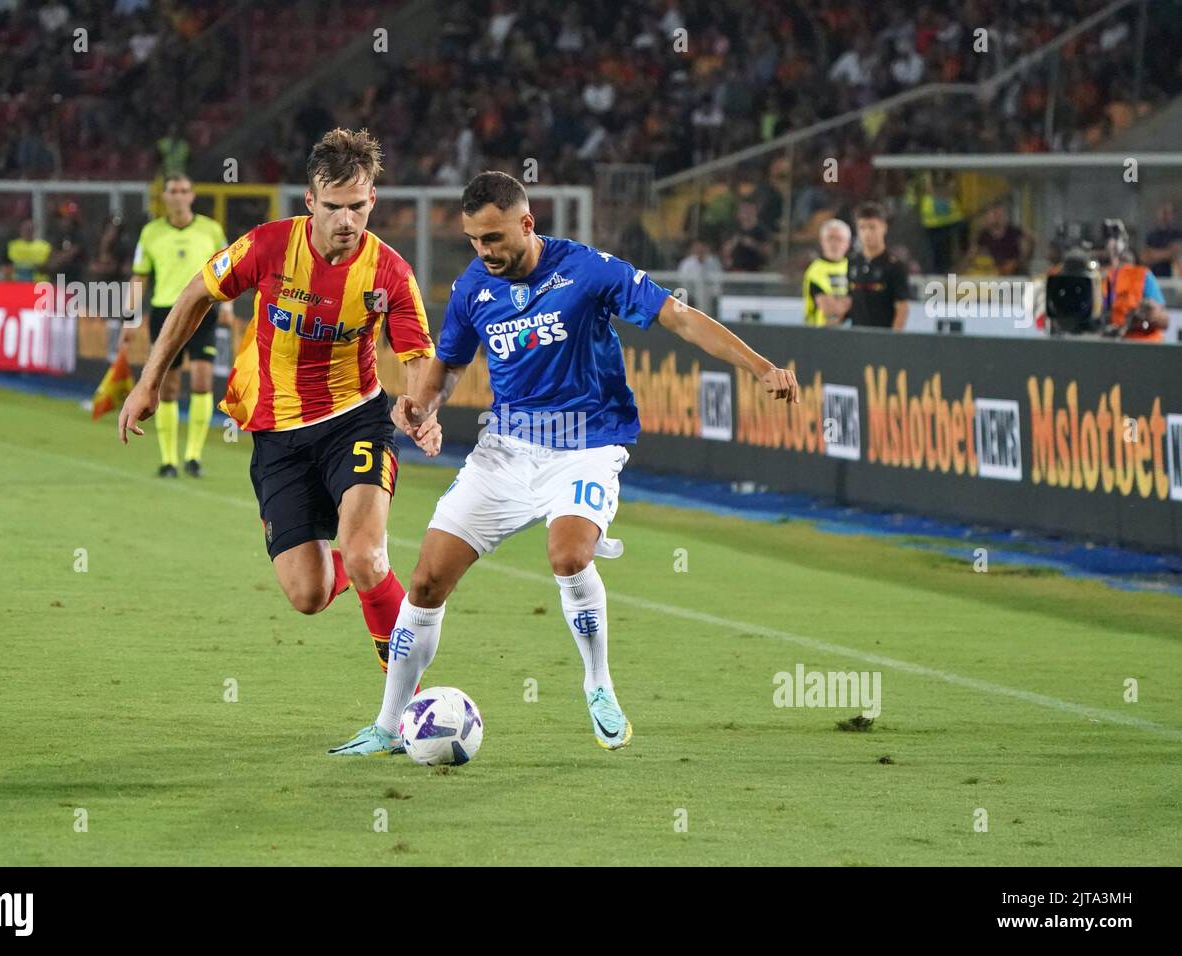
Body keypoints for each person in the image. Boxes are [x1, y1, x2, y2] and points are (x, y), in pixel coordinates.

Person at [328, 171, 799, 756]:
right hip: (504, 450)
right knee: (423, 582)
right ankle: (387, 724)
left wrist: (759, 367)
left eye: (495, 238)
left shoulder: (589, 270)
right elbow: (448, 364)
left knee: (569, 554)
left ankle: (598, 684)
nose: (486, 252)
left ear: (528, 223)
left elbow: (677, 316)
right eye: (475, 239)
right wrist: (422, 402)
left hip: (586, 445)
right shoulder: (474, 286)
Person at [117, 128, 441, 681]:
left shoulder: (390, 273)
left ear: (372, 201)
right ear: (310, 201)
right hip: (278, 435)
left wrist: (420, 407)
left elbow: (417, 356)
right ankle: (369, 575)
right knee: (308, 594)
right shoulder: (268, 246)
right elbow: (195, 293)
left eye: (357, 207)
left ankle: (400, 705)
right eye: (333, 207)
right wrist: (150, 379)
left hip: (354, 422)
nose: (346, 221)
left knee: (362, 552)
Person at [122, 174, 235, 478]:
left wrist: (228, 305)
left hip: (204, 310)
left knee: (202, 379)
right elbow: (139, 276)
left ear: (192, 195)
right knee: (167, 388)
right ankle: (168, 459)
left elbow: (229, 269)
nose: (180, 196)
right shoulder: (151, 233)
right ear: (165, 197)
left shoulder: (211, 230)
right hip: (165, 313)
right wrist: (130, 317)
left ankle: (194, 456)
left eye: (185, 190)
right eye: (174, 191)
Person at [840, 202, 910, 330]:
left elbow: (902, 307)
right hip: (856, 336)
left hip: (882, 339)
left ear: (884, 227)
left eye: (872, 227)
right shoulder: (852, 262)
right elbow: (849, 300)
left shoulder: (894, 266)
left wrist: (893, 338)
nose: (867, 233)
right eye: (862, 227)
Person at [1101, 222, 1170, 342]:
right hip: (1112, 346)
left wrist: (1147, 316)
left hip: (1144, 344)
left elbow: (1163, 320)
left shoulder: (1142, 276)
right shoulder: (1102, 278)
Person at [802, 219, 851, 327]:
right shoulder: (815, 270)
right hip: (818, 332)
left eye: (839, 239)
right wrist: (850, 302)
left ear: (847, 243)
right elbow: (830, 309)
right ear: (822, 241)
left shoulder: (852, 267)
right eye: (830, 238)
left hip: (848, 334)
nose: (834, 244)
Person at [968, 201, 1032, 276]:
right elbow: (972, 254)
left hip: (1014, 273)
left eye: (1000, 214)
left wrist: (1017, 262)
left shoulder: (1014, 231)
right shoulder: (982, 235)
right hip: (992, 273)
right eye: (994, 214)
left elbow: (1030, 241)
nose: (997, 218)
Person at [676, 238, 724, 314]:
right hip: (691, 294)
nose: (700, 249)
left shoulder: (713, 261)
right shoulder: (686, 263)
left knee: (705, 294)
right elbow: (682, 282)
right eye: (697, 246)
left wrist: (713, 294)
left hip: (709, 296)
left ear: (707, 247)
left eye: (702, 246)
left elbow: (718, 282)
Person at [1143, 201, 1182, 279]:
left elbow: (1177, 255)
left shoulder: (1178, 235)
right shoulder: (1152, 235)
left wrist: (1154, 254)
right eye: (1163, 213)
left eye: (1168, 213)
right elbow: (1145, 257)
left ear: (1173, 215)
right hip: (1155, 277)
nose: (1165, 216)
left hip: (1173, 280)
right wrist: (1168, 252)